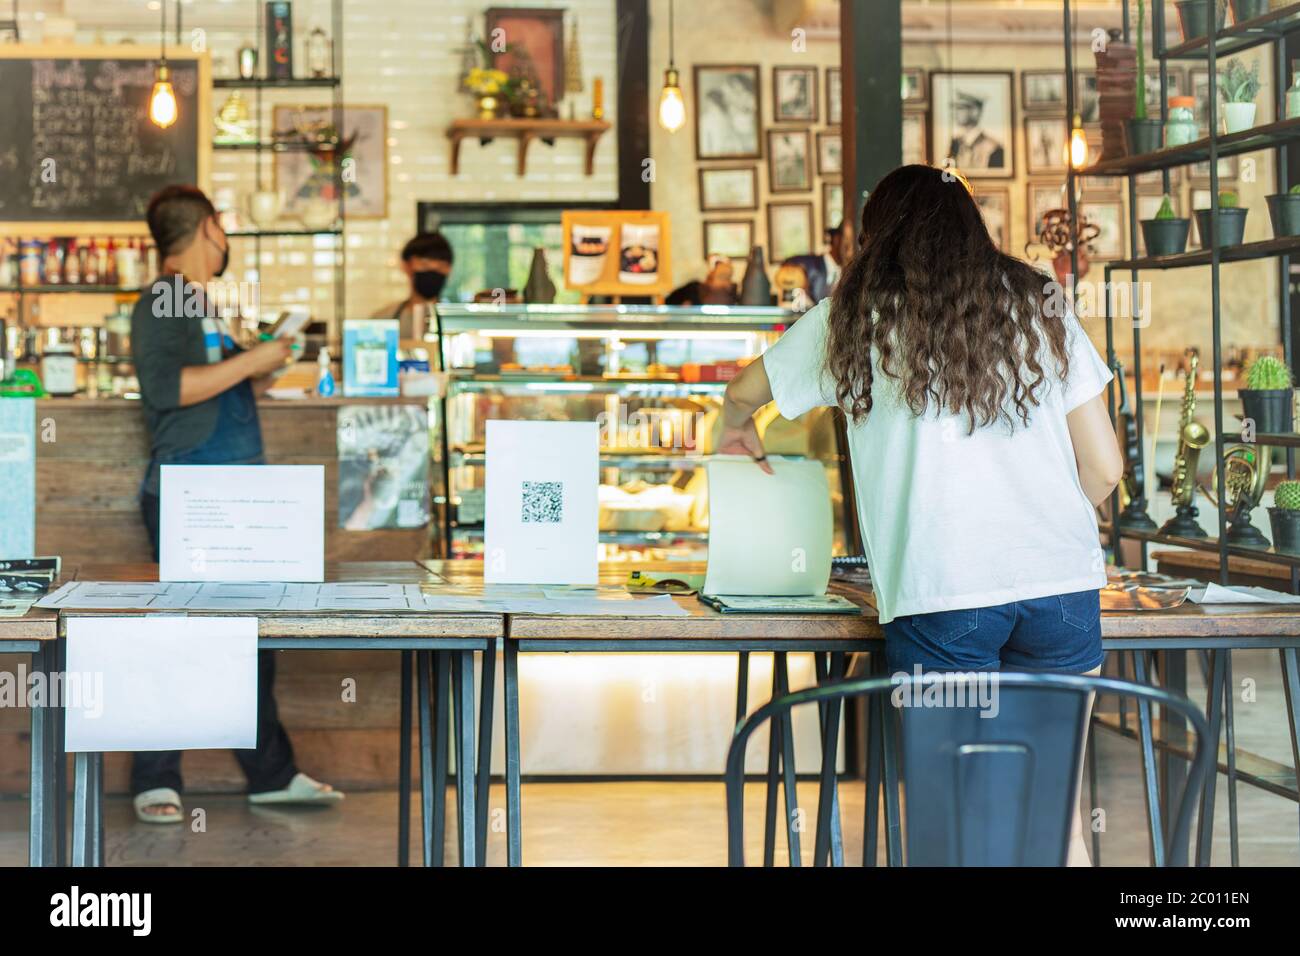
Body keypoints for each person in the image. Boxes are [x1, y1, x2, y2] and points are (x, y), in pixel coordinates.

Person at [718, 164, 1122, 865]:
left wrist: (734, 423)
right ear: (973, 226)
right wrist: (1034, 521)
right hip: (1062, 590)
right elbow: (1107, 469)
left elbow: (747, 391)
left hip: (945, 594)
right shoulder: (1042, 304)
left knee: (956, 822)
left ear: (877, 238)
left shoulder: (851, 317)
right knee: (1057, 819)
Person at [130, 184, 343, 824]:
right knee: (180, 640)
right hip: (192, 490)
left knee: (253, 639)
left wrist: (262, 363)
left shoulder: (199, 303)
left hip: (233, 490)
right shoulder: (164, 298)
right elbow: (171, 389)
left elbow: (216, 380)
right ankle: (155, 778)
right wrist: (252, 358)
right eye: (222, 229)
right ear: (209, 228)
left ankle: (271, 774)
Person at [371, 231, 455, 340]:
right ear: (406, 266)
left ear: (449, 270)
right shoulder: (382, 322)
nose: (432, 271)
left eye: (440, 266)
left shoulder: (456, 323)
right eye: (425, 264)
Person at [783, 219, 855, 305]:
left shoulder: (849, 273)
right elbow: (785, 267)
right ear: (836, 239)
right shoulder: (810, 265)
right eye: (848, 241)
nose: (851, 250)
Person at [948, 91, 1006, 172]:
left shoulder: (993, 148)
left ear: (975, 112)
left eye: (961, 108)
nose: (955, 113)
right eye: (955, 108)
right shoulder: (955, 143)